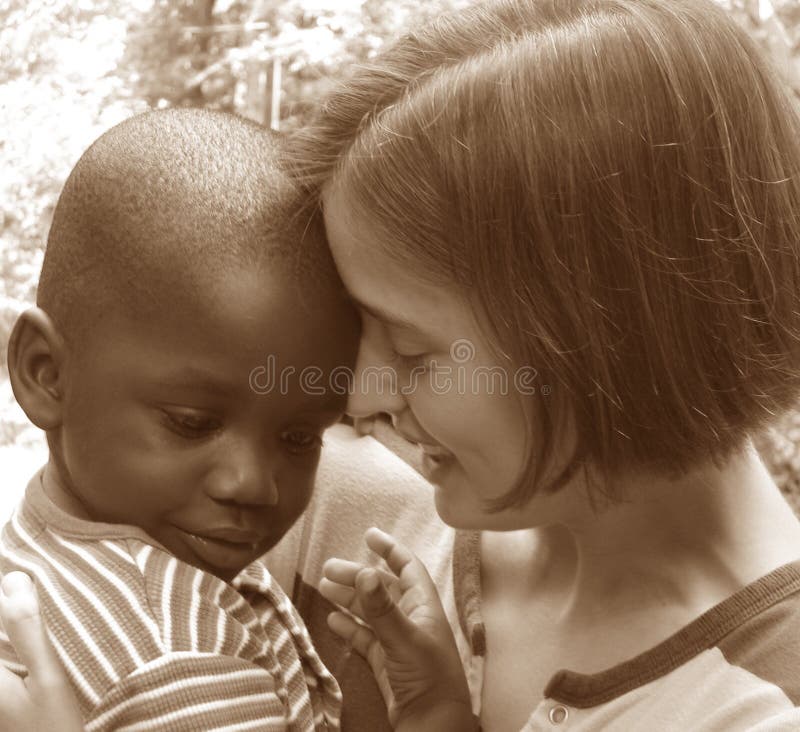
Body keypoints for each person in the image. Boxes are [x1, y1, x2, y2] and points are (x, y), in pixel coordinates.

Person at [4, 0, 800, 729]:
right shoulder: (323, 506)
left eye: (411, 349)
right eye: (360, 327)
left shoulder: (757, 704)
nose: (351, 398)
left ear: (606, 342)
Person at [0, 108, 360, 730]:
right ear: (45, 373)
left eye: (299, 437)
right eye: (193, 423)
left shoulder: (40, 554)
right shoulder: (179, 650)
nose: (253, 484)